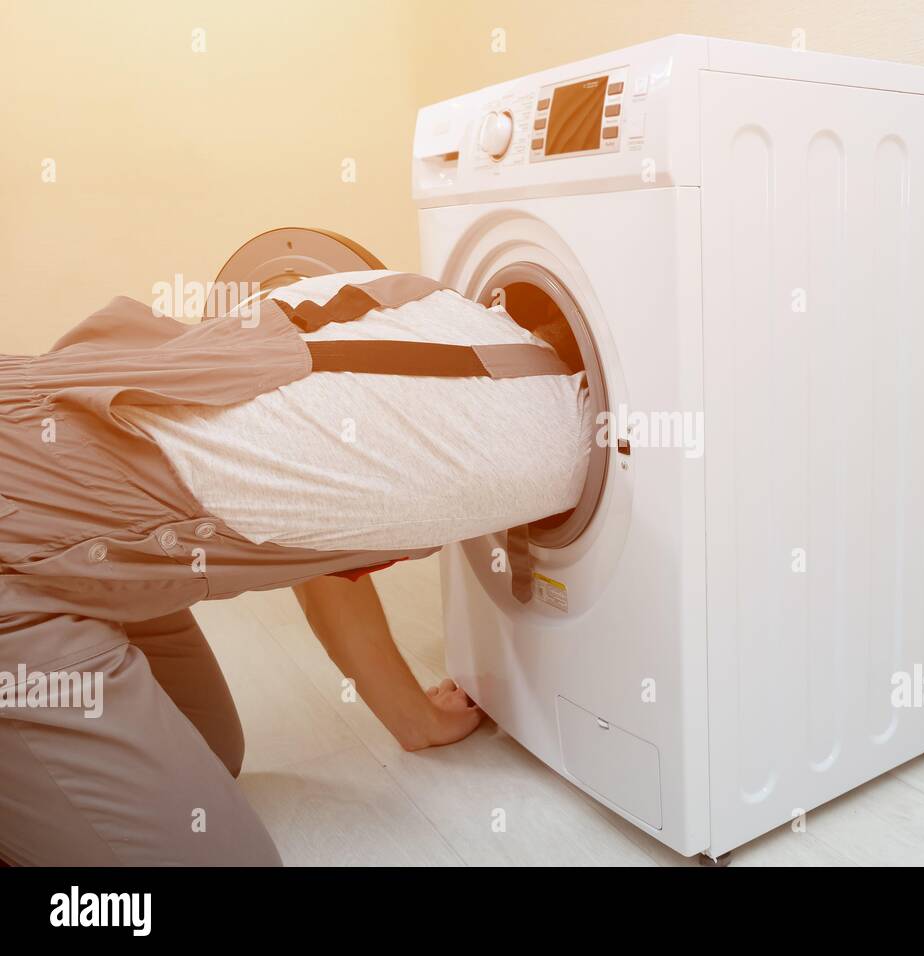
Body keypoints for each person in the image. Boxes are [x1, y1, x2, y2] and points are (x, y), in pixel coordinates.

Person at [0, 270, 590, 865]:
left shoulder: (414, 294)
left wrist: (413, 719)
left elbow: (315, 528)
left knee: (213, 747)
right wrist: (415, 720)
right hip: (22, 551)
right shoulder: (556, 449)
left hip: (71, 476)